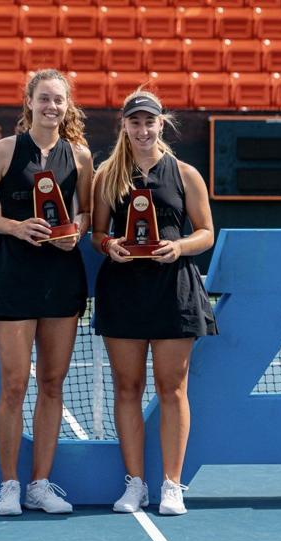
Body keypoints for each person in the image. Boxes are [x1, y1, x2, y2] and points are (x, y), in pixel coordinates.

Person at [0, 69, 95, 516]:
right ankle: (9, 486)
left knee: (52, 385)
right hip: (14, 276)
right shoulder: (3, 151)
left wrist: (75, 231)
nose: (51, 107)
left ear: (67, 106)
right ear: (30, 103)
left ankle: (39, 484)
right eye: (44, 99)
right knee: (15, 385)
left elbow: (88, 213)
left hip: (61, 277)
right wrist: (16, 227)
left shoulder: (80, 157)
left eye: (59, 100)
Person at [88, 90, 217, 516]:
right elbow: (97, 234)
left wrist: (178, 248)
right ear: (124, 125)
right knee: (127, 388)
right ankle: (136, 484)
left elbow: (206, 233)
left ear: (162, 123)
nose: (143, 130)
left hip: (173, 290)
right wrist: (110, 247)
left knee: (172, 388)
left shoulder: (185, 174)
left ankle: (172, 485)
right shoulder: (107, 174)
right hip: (123, 291)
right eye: (135, 122)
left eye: (150, 122)